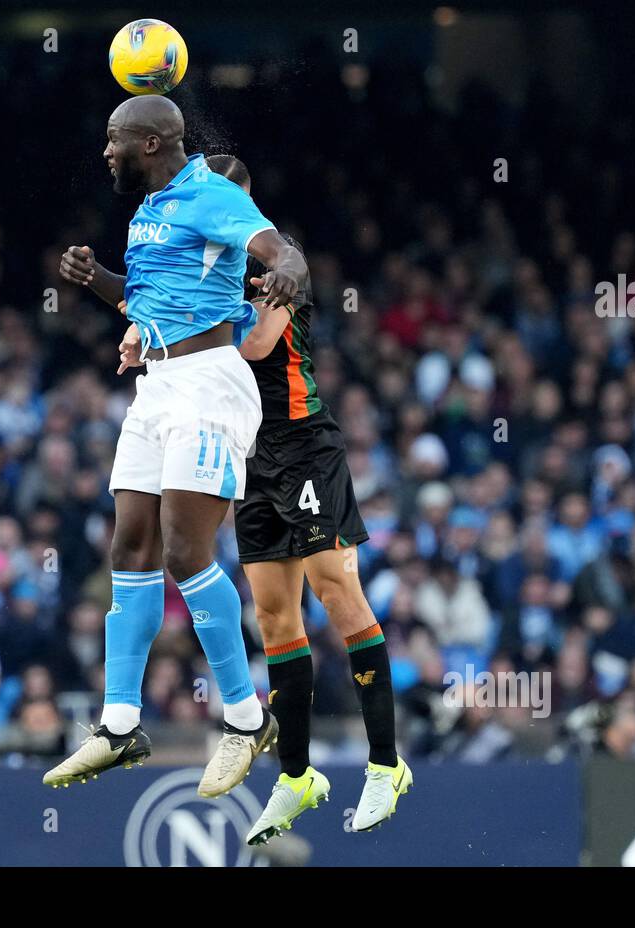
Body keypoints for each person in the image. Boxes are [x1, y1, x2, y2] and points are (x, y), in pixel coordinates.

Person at [44, 96, 309, 798]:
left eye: (115, 141)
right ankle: (119, 724)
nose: (106, 153)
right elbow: (147, 301)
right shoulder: (146, 213)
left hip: (208, 387)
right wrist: (95, 279)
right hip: (157, 389)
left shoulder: (210, 193)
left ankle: (249, 721)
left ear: (154, 142)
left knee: (186, 553)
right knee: (129, 548)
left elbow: (278, 248)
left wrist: (289, 272)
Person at [216, 153, 411, 841]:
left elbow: (261, 341)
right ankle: (297, 778)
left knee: (335, 590)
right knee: (272, 616)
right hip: (251, 457)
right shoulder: (204, 270)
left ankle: (385, 763)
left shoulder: (279, 261)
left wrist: (175, 345)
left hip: (302, 444)